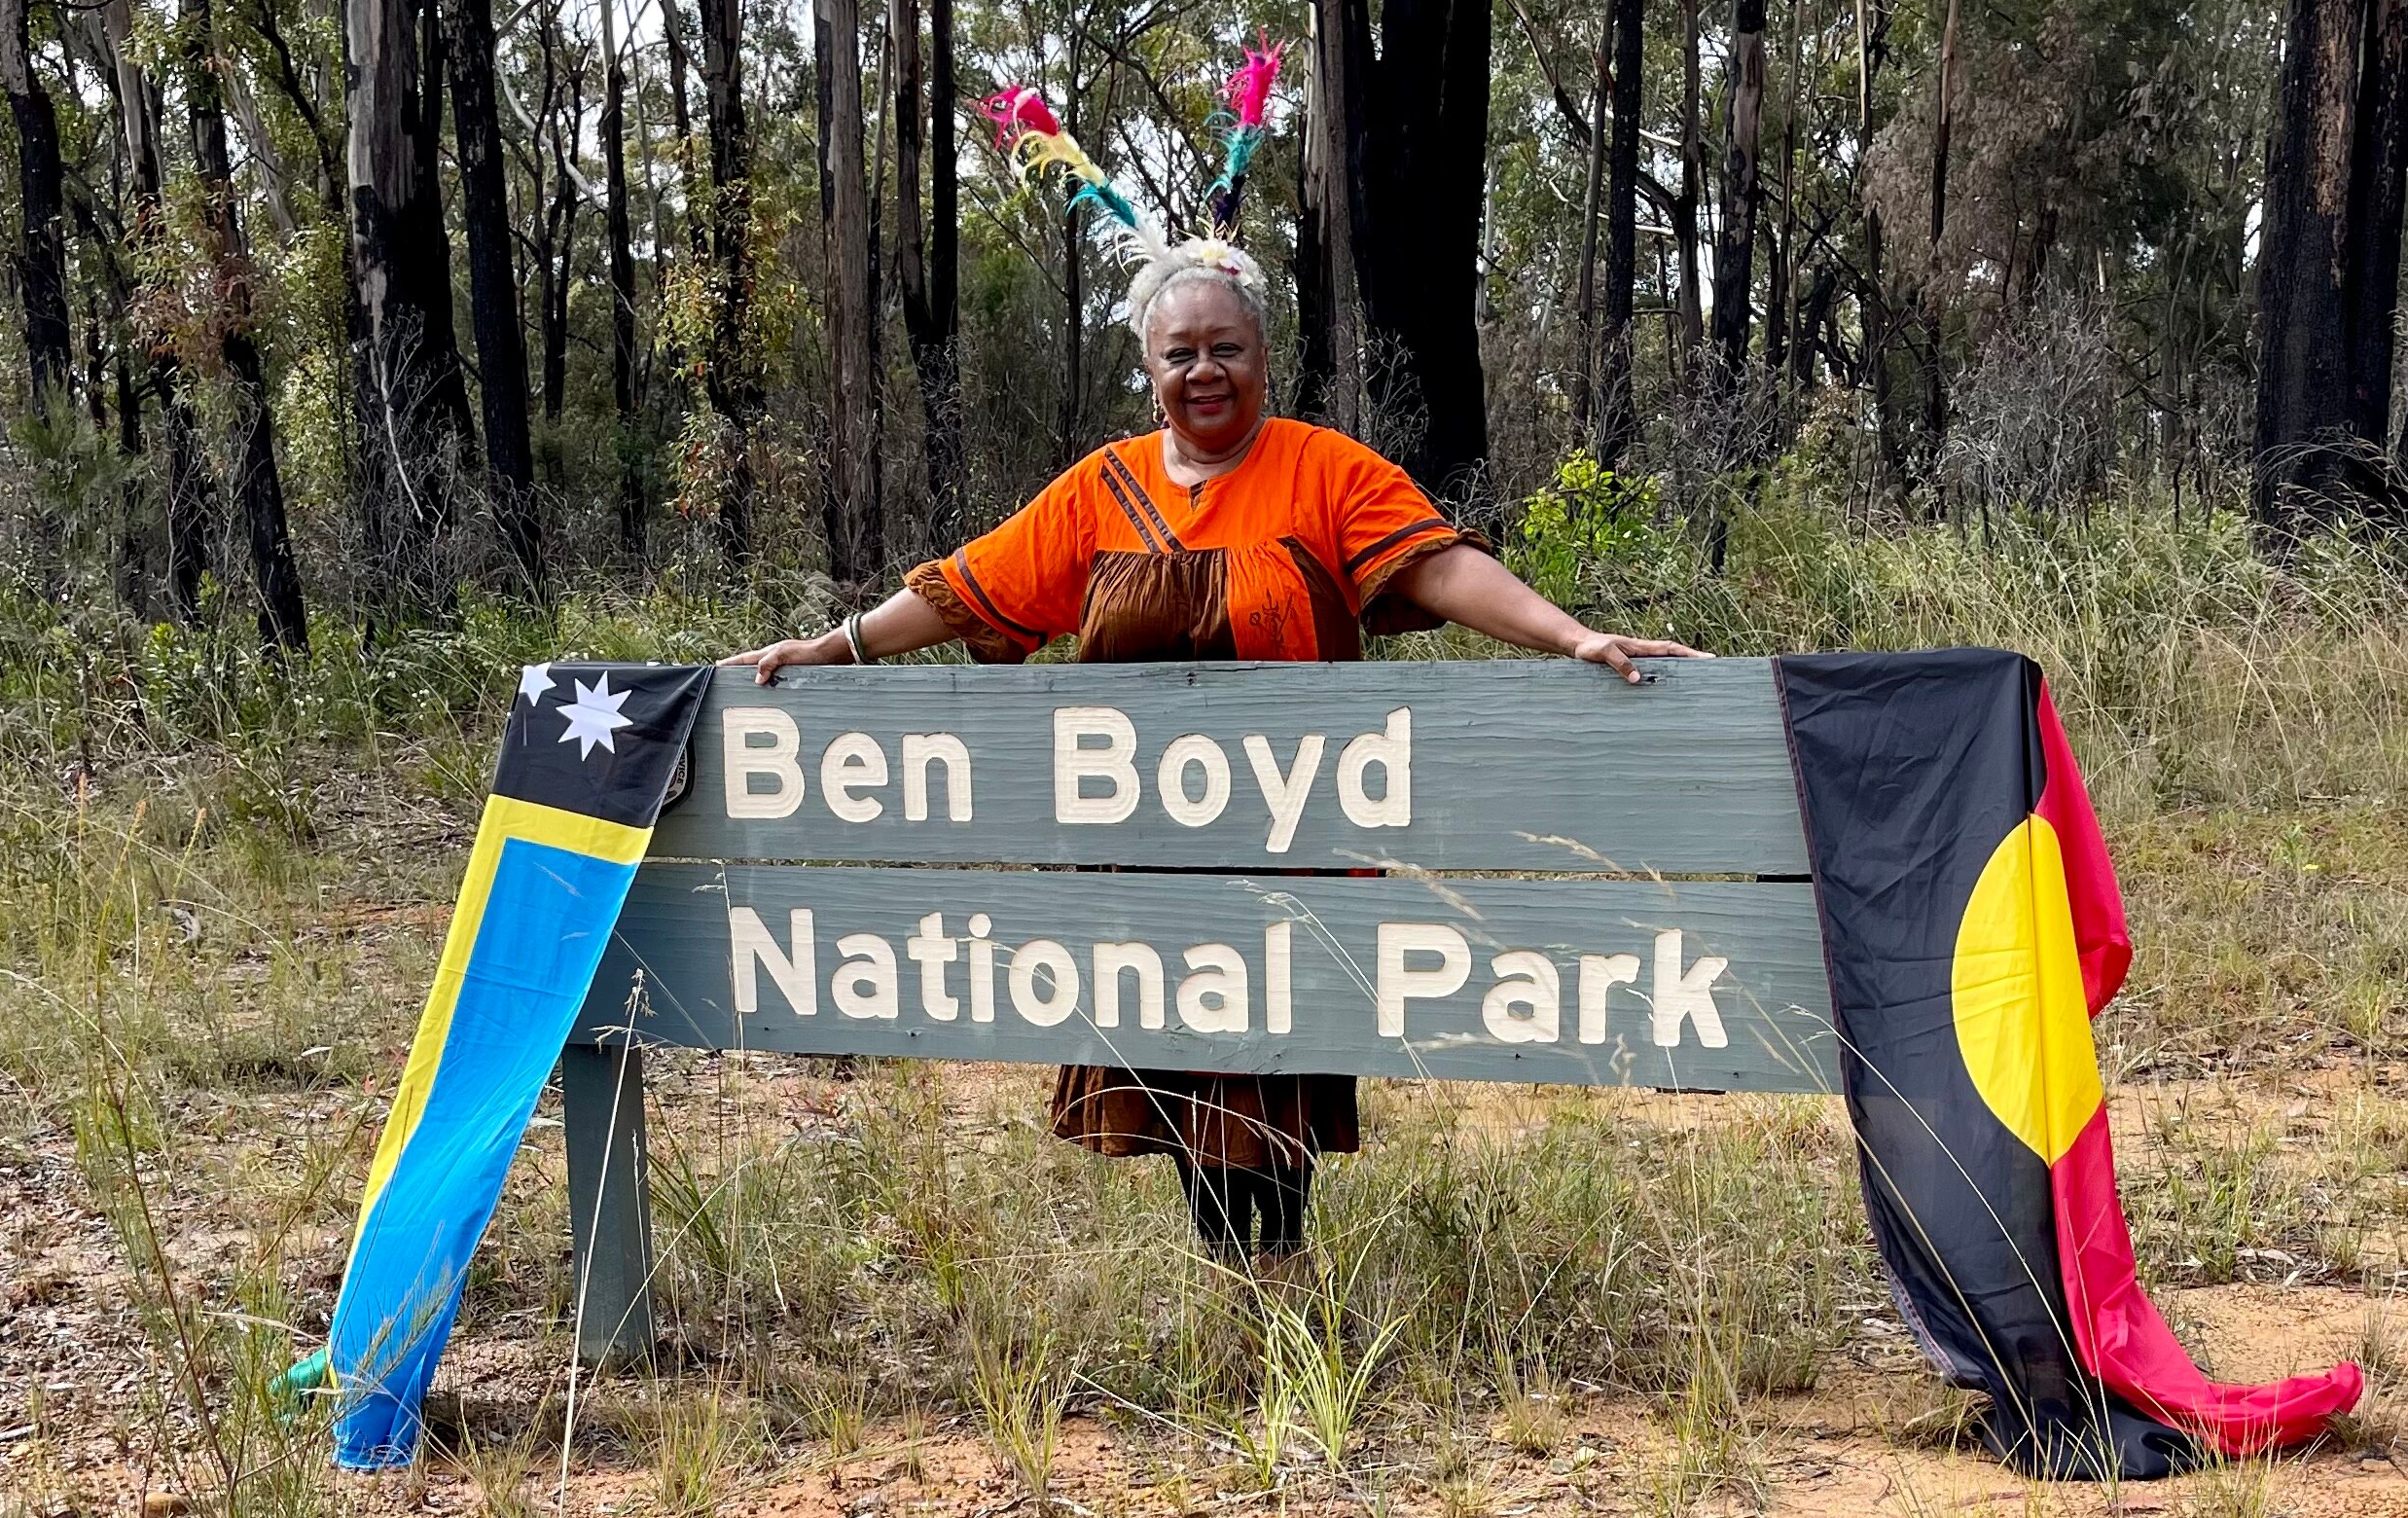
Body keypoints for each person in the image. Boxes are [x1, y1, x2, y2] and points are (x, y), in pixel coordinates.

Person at [729, 237, 1701, 1279]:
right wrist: (833, 647)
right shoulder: (1099, 489)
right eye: (1179, 353)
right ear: (1148, 374)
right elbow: (968, 585)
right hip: (1146, 860)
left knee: (1264, 1088)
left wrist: (1570, 636)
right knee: (1190, 1089)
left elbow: (1441, 566)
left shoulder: (1322, 470)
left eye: (1224, 349)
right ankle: (1246, 1289)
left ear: (1263, 361)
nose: (1204, 371)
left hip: (1293, 851)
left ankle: (1274, 1297)